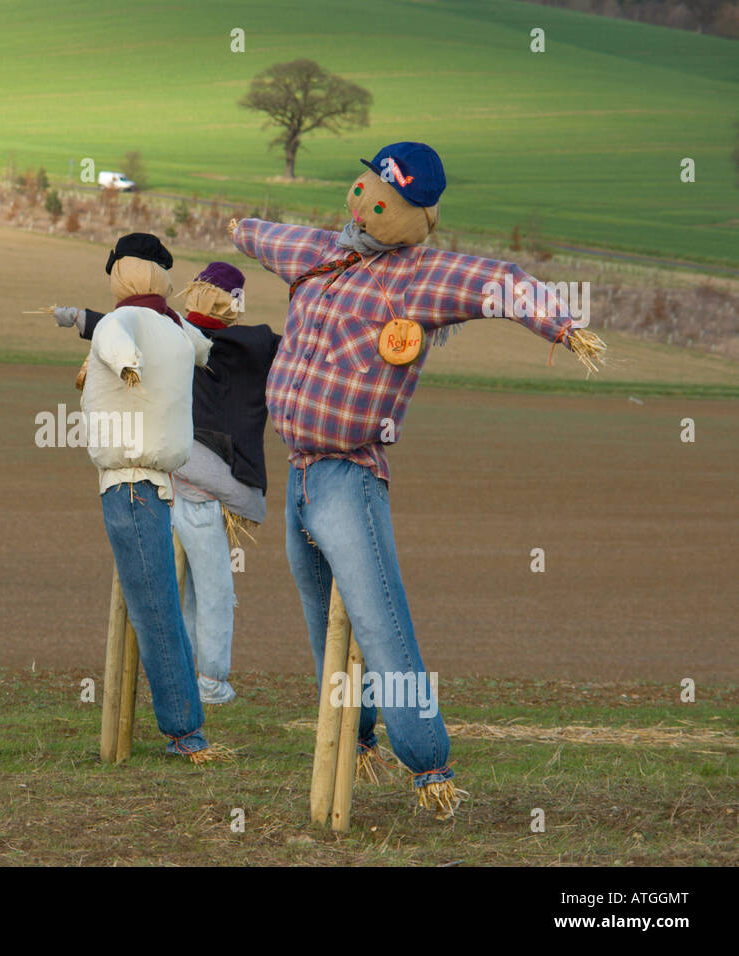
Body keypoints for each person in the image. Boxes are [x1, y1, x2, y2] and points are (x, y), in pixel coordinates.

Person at [230, 142, 604, 817]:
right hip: (301, 474)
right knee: (324, 625)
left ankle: (429, 765)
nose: (369, 205)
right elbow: (269, 237)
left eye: (387, 200)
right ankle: (356, 739)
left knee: (379, 623)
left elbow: (500, 281)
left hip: (350, 476)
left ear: (419, 214)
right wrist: (239, 228)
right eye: (366, 189)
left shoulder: (417, 277)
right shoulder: (320, 253)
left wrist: (564, 328)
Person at [54, 262, 279, 704]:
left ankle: (187, 681)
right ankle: (208, 681)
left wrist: (81, 319)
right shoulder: (248, 343)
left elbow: (122, 328)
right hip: (199, 485)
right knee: (210, 587)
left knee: (183, 588)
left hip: (161, 476)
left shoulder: (177, 333)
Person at [76, 233, 221, 760]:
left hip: (128, 485)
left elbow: (115, 341)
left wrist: (123, 363)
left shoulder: (123, 322)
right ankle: (187, 726)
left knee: (154, 606)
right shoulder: (175, 326)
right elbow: (205, 349)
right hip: (157, 484)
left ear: (119, 272)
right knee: (158, 600)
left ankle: (186, 732)